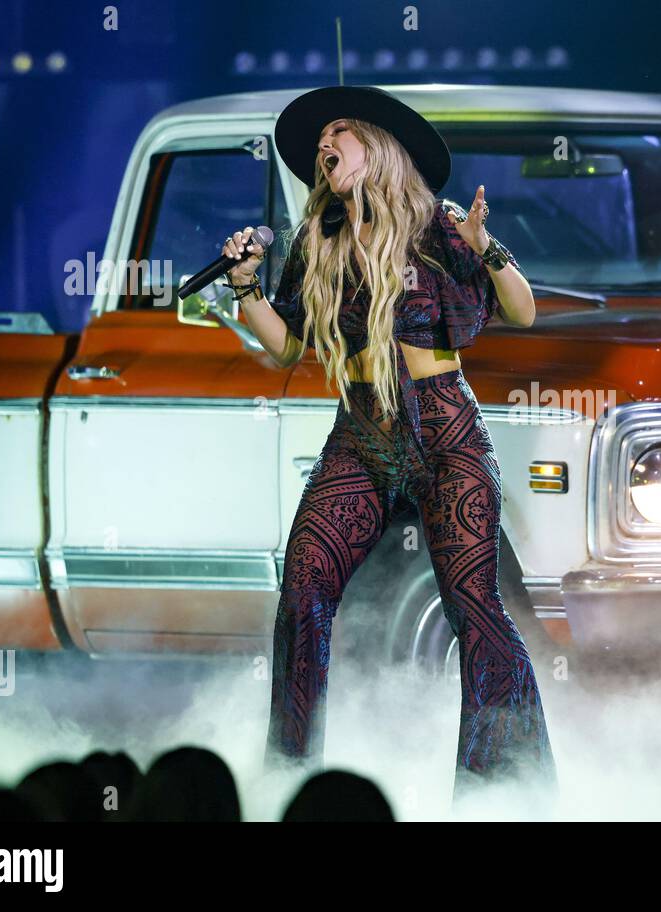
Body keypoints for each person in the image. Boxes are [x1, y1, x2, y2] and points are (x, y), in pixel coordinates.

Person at [222, 86, 556, 800]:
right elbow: (285, 349)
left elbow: (524, 310)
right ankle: (289, 778)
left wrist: (485, 249)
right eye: (318, 145)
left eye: (338, 132)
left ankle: (505, 791)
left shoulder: (440, 225)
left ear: (377, 146)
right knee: (304, 588)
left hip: (445, 431)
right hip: (363, 434)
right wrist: (246, 288)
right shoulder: (320, 239)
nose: (323, 147)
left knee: (476, 607)